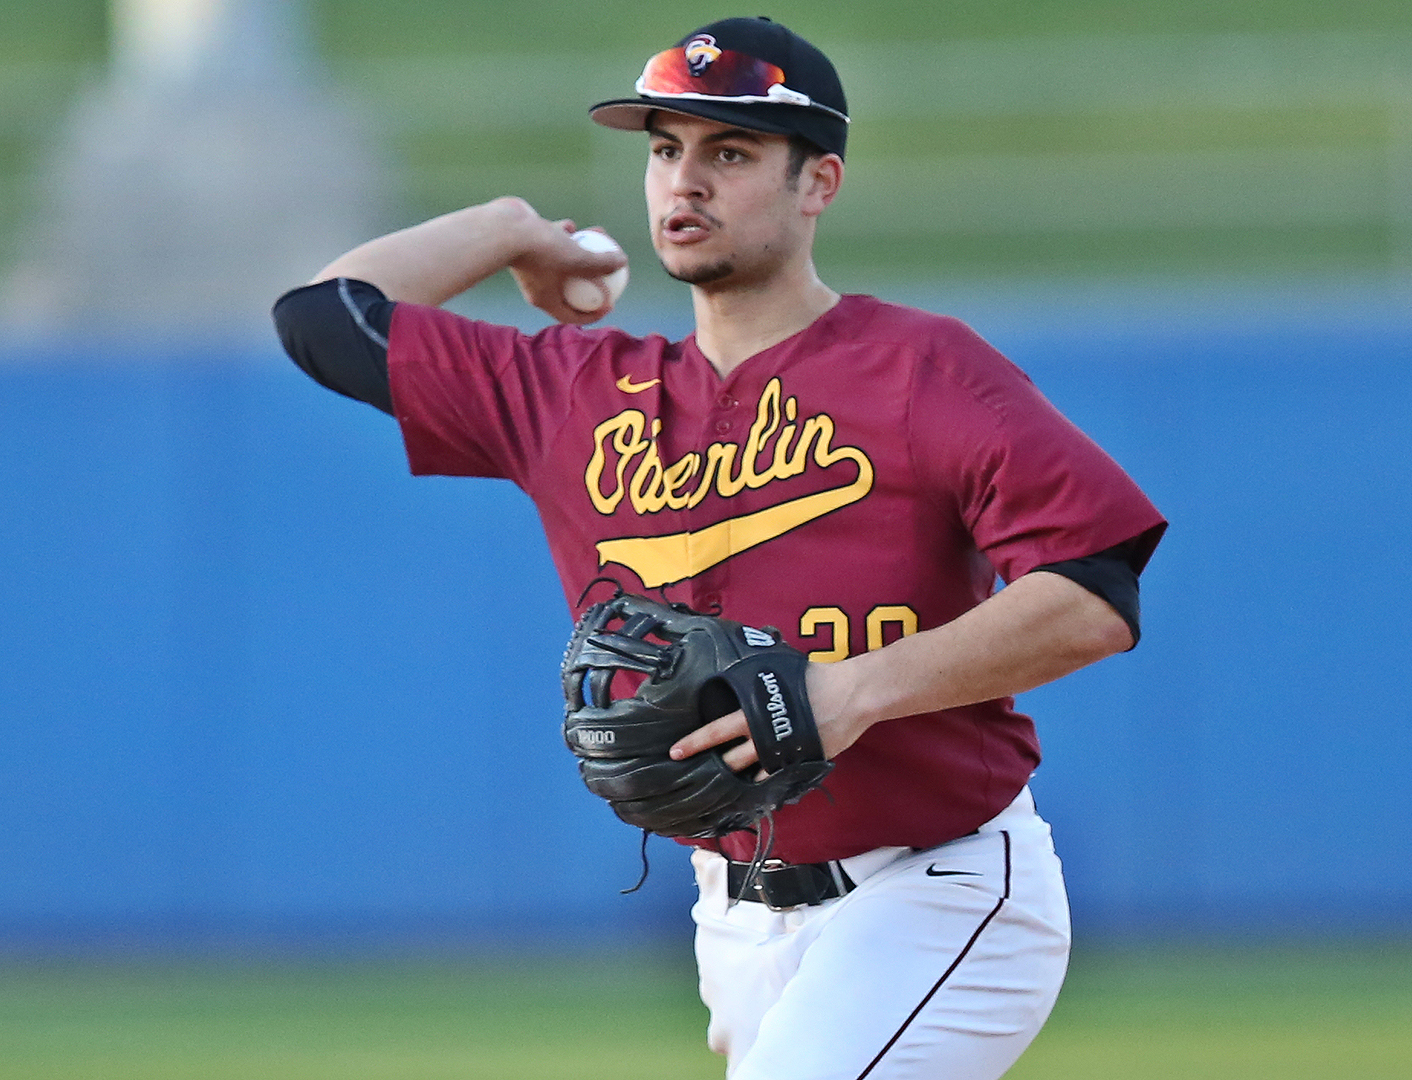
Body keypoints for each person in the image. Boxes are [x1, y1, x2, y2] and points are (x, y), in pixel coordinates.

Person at [272, 16, 1165, 1080]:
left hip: (939, 888)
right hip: (734, 921)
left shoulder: (921, 370)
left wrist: (855, 690)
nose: (684, 182)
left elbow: (1094, 588)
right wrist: (512, 229)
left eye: (729, 153)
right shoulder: (576, 396)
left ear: (817, 182)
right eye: (664, 150)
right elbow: (327, 320)